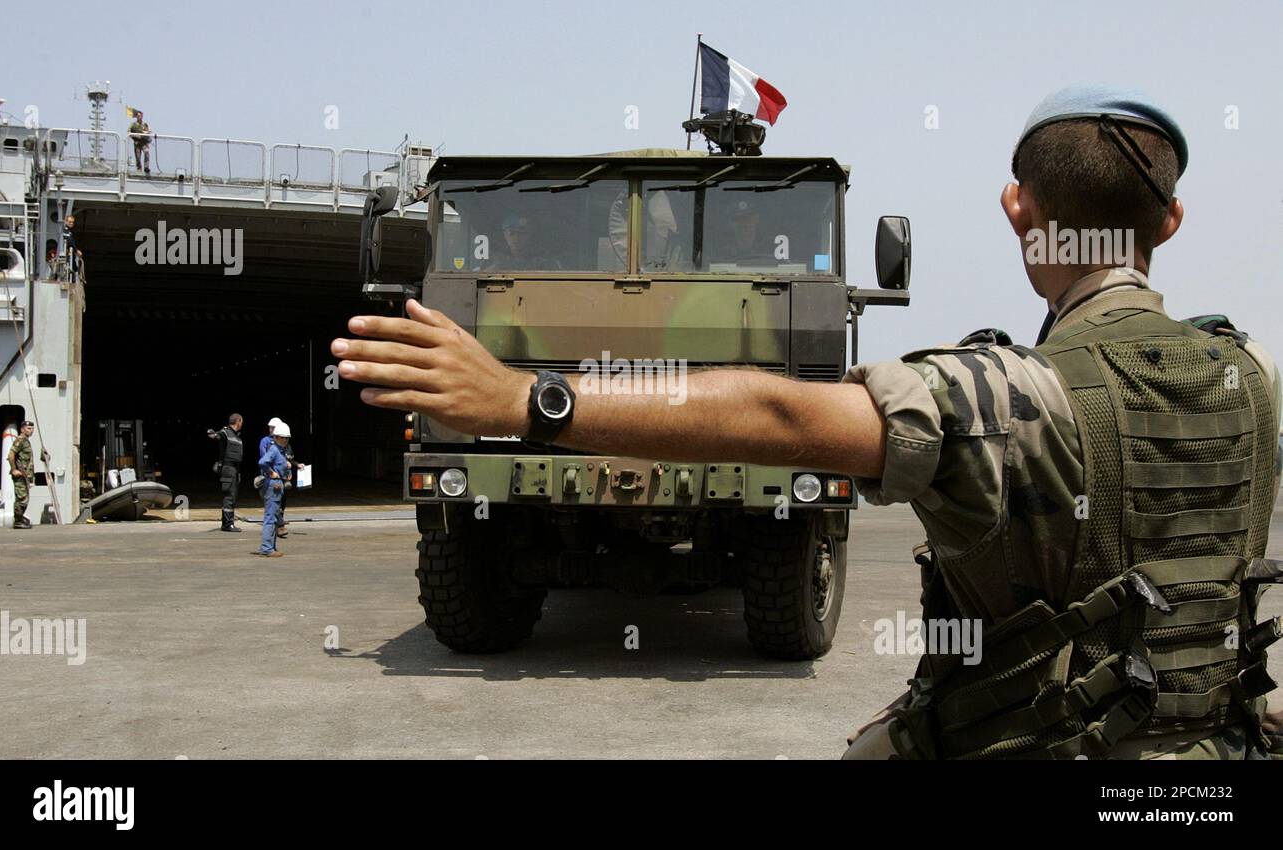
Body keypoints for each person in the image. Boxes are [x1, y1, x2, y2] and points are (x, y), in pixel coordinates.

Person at [334, 85, 1281, 760]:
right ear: (1175, 220)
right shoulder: (1257, 377)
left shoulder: (1003, 394)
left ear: (1018, 211)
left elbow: (779, 411)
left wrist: (525, 400)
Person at [256, 422, 292, 557]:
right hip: (273, 486)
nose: (285, 440)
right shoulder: (274, 450)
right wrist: (271, 473)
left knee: (275, 517)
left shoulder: (281, 451)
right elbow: (262, 462)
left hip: (278, 487)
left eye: (287, 438)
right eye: (282, 437)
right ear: (276, 437)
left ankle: (272, 546)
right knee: (270, 517)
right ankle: (266, 548)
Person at [208, 413, 243, 532]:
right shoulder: (226, 432)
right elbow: (218, 435)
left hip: (234, 469)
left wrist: (238, 473)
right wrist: (213, 434)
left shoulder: (236, 435)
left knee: (232, 496)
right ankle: (228, 524)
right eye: (241, 421)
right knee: (230, 496)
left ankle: (227, 523)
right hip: (228, 469)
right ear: (238, 421)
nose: (242, 424)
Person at [7, 420, 35, 529]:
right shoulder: (20, 440)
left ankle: (20, 517)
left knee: (24, 497)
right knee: (22, 497)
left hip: (25, 475)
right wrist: (14, 469)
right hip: (20, 475)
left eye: (32, 429)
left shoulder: (25, 441)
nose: (31, 431)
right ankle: (18, 521)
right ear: (22, 429)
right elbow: (11, 454)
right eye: (28, 428)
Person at [128, 110, 151, 175]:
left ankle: (146, 167)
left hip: (144, 143)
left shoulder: (144, 124)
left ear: (142, 116)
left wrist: (146, 133)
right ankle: (139, 170)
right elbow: (129, 132)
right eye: (138, 116)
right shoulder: (133, 124)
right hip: (137, 143)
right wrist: (136, 135)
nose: (139, 117)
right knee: (138, 157)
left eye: (140, 116)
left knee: (146, 152)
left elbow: (148, 132)